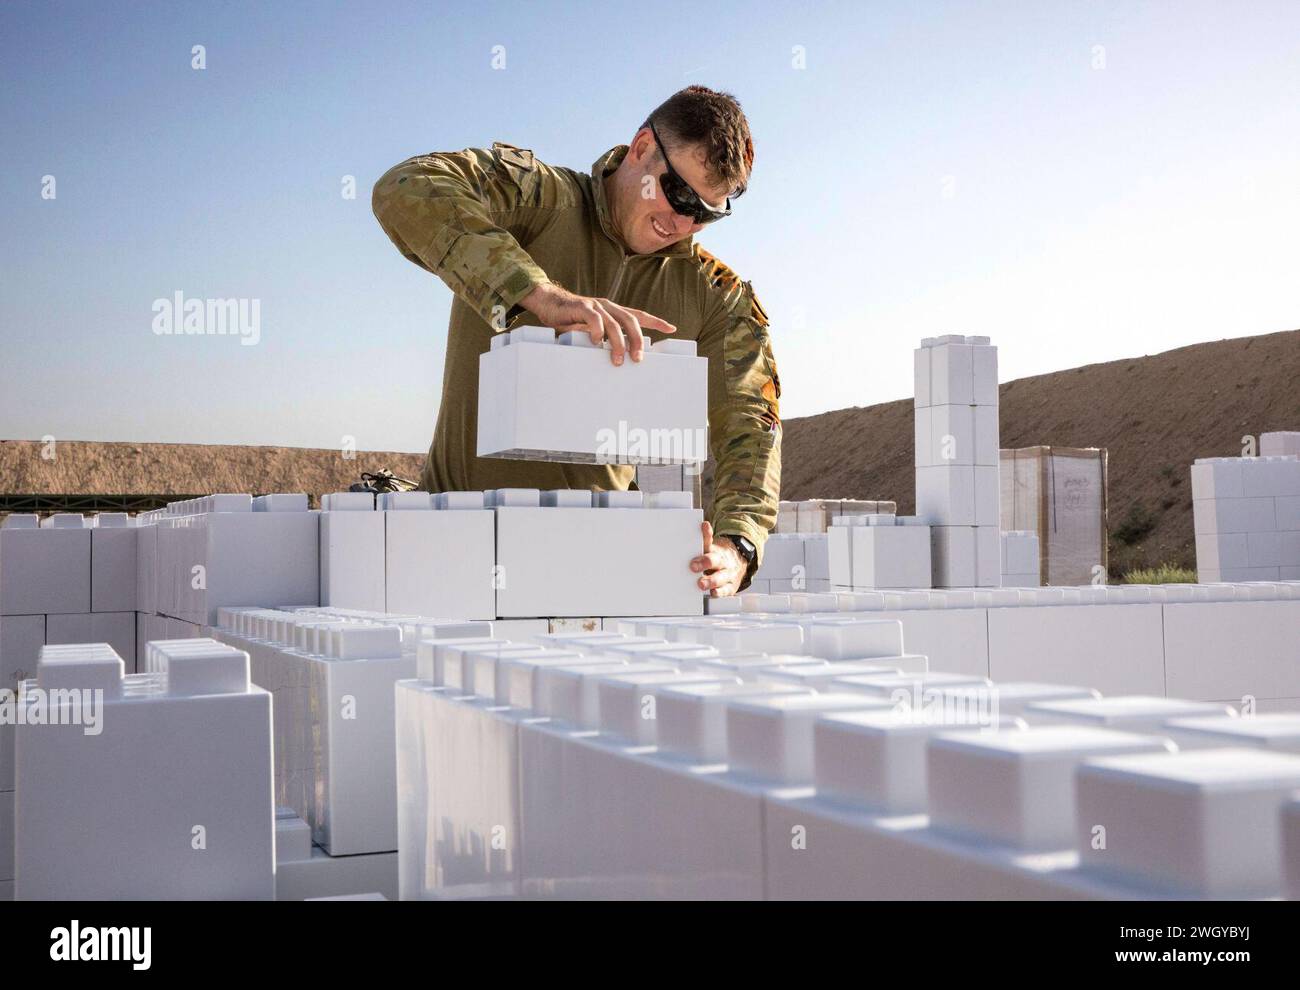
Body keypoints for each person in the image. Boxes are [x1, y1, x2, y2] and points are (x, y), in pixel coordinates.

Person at [372, 85, 780, 595]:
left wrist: (737, 545)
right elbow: (407, 186)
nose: (683, 223)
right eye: (676, 194)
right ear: (641, 148)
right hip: (452, 553)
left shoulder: (715, 295)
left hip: (596, 574)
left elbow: (750, 421)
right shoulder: (541, 201)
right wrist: (536, 294)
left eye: (707, 212)